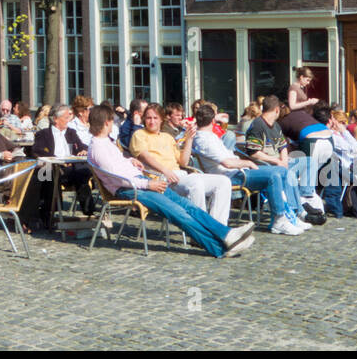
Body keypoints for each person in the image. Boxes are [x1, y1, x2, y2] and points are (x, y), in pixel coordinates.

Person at [87, 104, 255, 258]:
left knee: (187, 206)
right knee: (177, 212)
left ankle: (227, 234)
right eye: (112, 120)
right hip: (131, 188)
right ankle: (219, 247)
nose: (113, 123)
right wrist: (148, 183)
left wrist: (129, 161)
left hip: (140, 182)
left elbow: (117, 167)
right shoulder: (98, 148)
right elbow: (118, 178)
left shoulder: (105, 143)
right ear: (106, 122)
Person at [190, 103, 308, 235]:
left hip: (236, 172)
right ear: (213, 120)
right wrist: (247, 163)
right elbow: (227, 163)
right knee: (274, 175)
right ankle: (280, 220)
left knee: (283, 171)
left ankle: (292, 214)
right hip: (230, 176)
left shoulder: (209, 136)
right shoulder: (204, 140)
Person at [132, 103, 232, 224]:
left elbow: (183, 162)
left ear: (161, 120)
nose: (152, 121)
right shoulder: (139, 134)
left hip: (179, 176)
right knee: (196, 183)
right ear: (144, 119)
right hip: (159, 178)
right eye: (148, 118)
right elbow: (145, 157)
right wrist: (165, 171)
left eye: (155, 118)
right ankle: (201, 229)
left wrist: (189, 139)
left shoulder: (167, 137)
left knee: (223, 182)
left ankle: (218, 226)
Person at [243, 96, 324, 224]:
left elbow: (283, 147)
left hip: (280, 163)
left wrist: (284, 161)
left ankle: (306, 196)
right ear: (276, 110)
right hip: (266, 166)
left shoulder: (275, 126)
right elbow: (254, 153)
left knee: (309, 161)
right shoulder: (257, 125)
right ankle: (296, 212)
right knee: (289, 174)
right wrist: (277, 162)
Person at [29, 104, 94, 226]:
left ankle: (89, 210)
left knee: (83, 171)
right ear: (55, 119)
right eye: (65, 117)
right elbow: (37, 151)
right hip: (54, 167)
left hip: (71, 169)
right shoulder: (43, 134)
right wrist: (56, 159)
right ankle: (46, 213)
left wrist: (83, 150)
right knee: (46, 172)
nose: (68, 120)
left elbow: (81, 146)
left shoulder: (71, 133)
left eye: (69, 117)